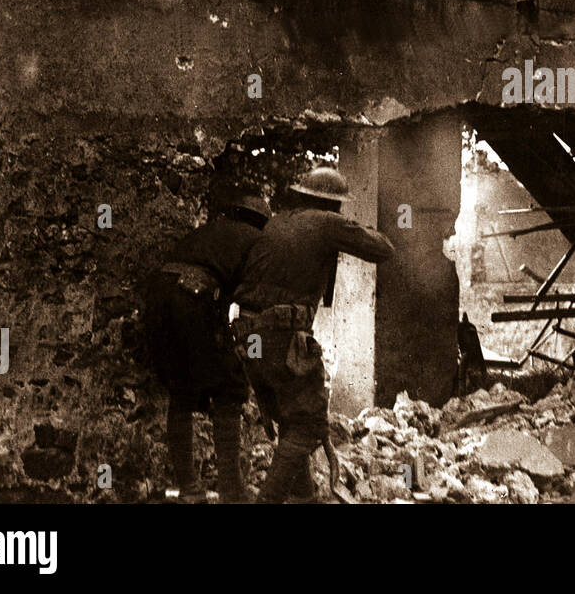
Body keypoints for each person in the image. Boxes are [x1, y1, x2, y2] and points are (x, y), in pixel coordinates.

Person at [231, 167, 394, 503]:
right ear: (331, 205)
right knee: (306, 425)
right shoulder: (327, 223)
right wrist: (351, 227)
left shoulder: (277, 221)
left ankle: (304, 499)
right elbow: (383, 249)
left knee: (293, 422)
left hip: (250, 338)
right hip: (281, 336)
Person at [140, 189, 270, 503]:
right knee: (229, 389)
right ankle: (231, 492)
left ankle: (190, 490)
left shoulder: (208, 230)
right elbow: (249, 299)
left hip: (157, 297)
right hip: (193, 297)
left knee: (182, 390)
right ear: (262, 221)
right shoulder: (257, 242)